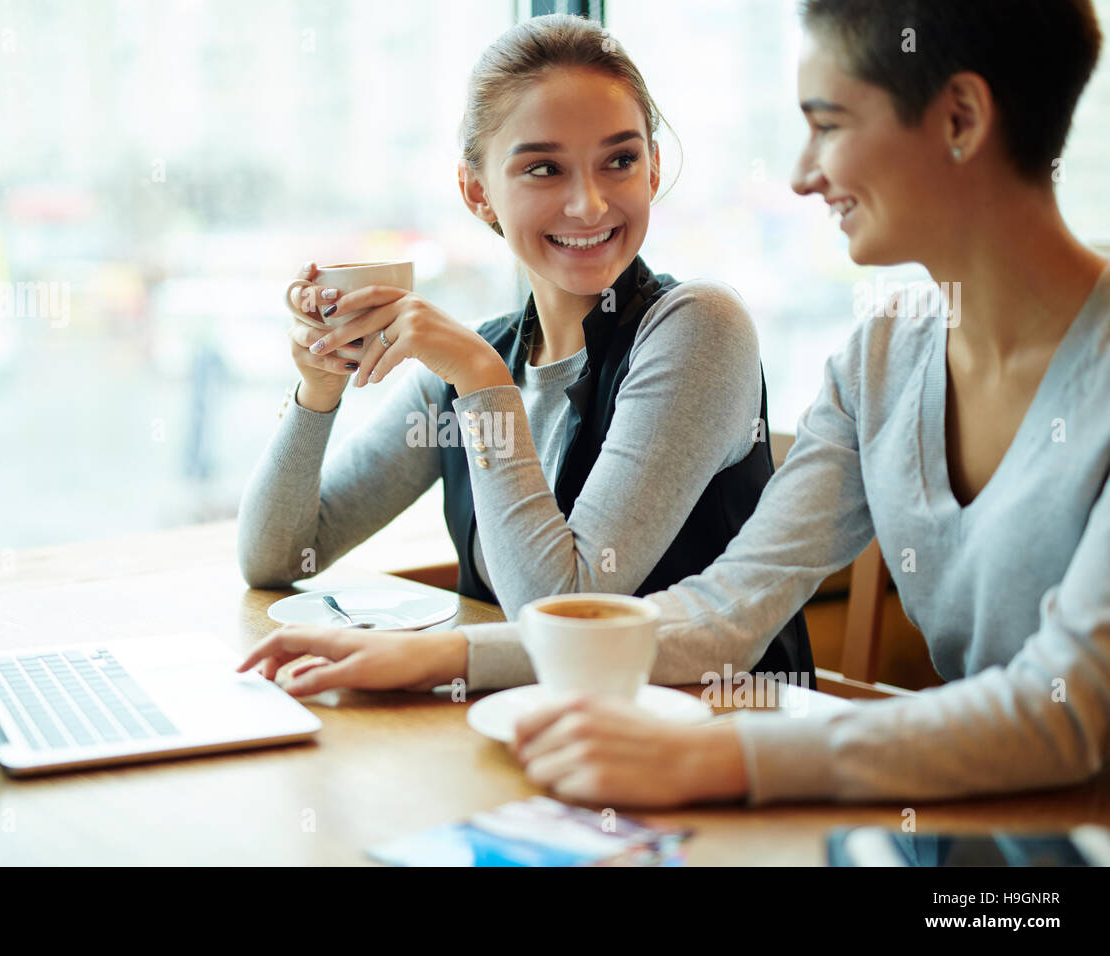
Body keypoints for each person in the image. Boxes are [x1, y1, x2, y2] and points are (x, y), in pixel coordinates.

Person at [244, 0, 1110, 809]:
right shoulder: (880, 358)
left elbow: (1067, 714)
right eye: (543, 166)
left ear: (960, 119)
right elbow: (726, 612)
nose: (803, 175)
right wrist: (445, 653)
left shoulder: (702, 328)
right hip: (988, 819)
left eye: (828, 125)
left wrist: (717, 759)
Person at [237, 13, 811, 689]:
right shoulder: (477, 362)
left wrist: (483, 385)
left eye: (619, 161)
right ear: (477, 192)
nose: (589, 204)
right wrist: (317, 391)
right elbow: (278, 557)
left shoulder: (698, 328)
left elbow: (562, 608)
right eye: (544, 168)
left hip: (715, 741)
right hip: (546, 727)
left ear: (653, 170)